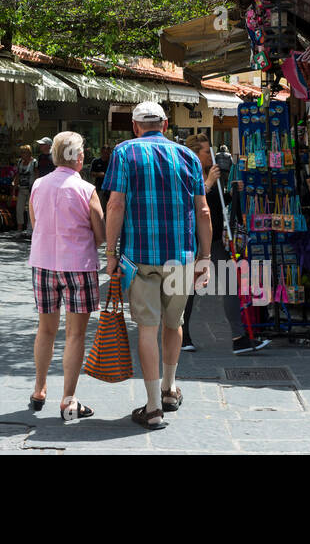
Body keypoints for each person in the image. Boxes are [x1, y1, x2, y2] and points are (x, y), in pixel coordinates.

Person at [102, 102, 212, 431]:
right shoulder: (189, 157)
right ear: (165, 124)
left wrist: (110, 254)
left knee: (147, 330)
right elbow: (204, 211)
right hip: (180, 258)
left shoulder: (124, 153)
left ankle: (152, 407)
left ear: (135, 127)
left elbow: (116, 204)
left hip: (140, 258)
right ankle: (170, 388)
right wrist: (205, 258)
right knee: (173, 323)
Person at [28, 131, 105, 421]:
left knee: (45, 329)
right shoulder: (86, 190)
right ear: (80, 157)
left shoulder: (38, 185)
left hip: (43, 263)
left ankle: (39, 389)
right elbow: (99, 234)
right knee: (75, 334)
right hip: (79, 266)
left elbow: (36, 223)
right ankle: (68, 399)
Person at [179, 134, 270, 355]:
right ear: (194, 153)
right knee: (189, 290)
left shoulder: (216, 174)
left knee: (230, 283)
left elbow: (218, 203)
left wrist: (232, 194)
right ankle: (182, 336)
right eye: (205, 152)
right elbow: (189, 203)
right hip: (193, 241)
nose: (210, 155)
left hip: (216, 239)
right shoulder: (187, 173)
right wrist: (208, 182)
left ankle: (239, 339)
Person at [14, 144, 36, 238]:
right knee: (19, 209)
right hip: (21, 189)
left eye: (24, 152)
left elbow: (37, 175)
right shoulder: (20, 162)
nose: (22, 154)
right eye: (21, 152)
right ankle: (19, 229)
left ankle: (29, 229)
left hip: (30, 189)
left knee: (29, 210)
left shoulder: (34, 162)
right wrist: (14, 188)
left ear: (29, 153)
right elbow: (17, 175)